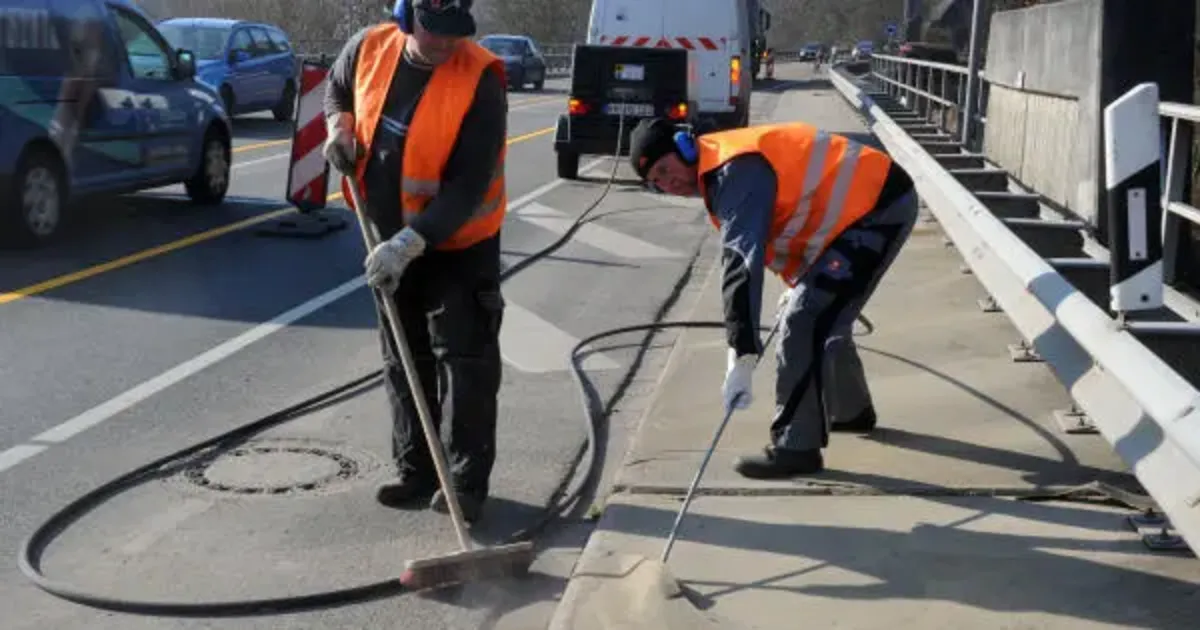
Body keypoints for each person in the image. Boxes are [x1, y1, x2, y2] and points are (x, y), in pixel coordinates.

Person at [628, 118, 918, 478]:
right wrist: (796, 284)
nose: (667, 183)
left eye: (664, 169)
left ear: (685, 147)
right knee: (821, 312)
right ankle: (851, 411)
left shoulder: (734, 170)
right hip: (861, 211)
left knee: (804, 319)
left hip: (878, 207)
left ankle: (796, 448)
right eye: (656, 182)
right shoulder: (720, 175)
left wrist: (741, 353)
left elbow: (740, 263)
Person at [322, 0, 508, 522]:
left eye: (455, 33)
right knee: (404, 357)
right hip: (386, 239)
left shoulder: (481, 79)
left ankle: (465, 485)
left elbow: (468, 185)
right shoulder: (367, 48)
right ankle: (417, 472)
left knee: (465, 363)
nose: (445, 44)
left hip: (458, 245)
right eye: (434, 33)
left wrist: (410, 243)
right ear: (406, 17)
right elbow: (337, 89)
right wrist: (339, 128)